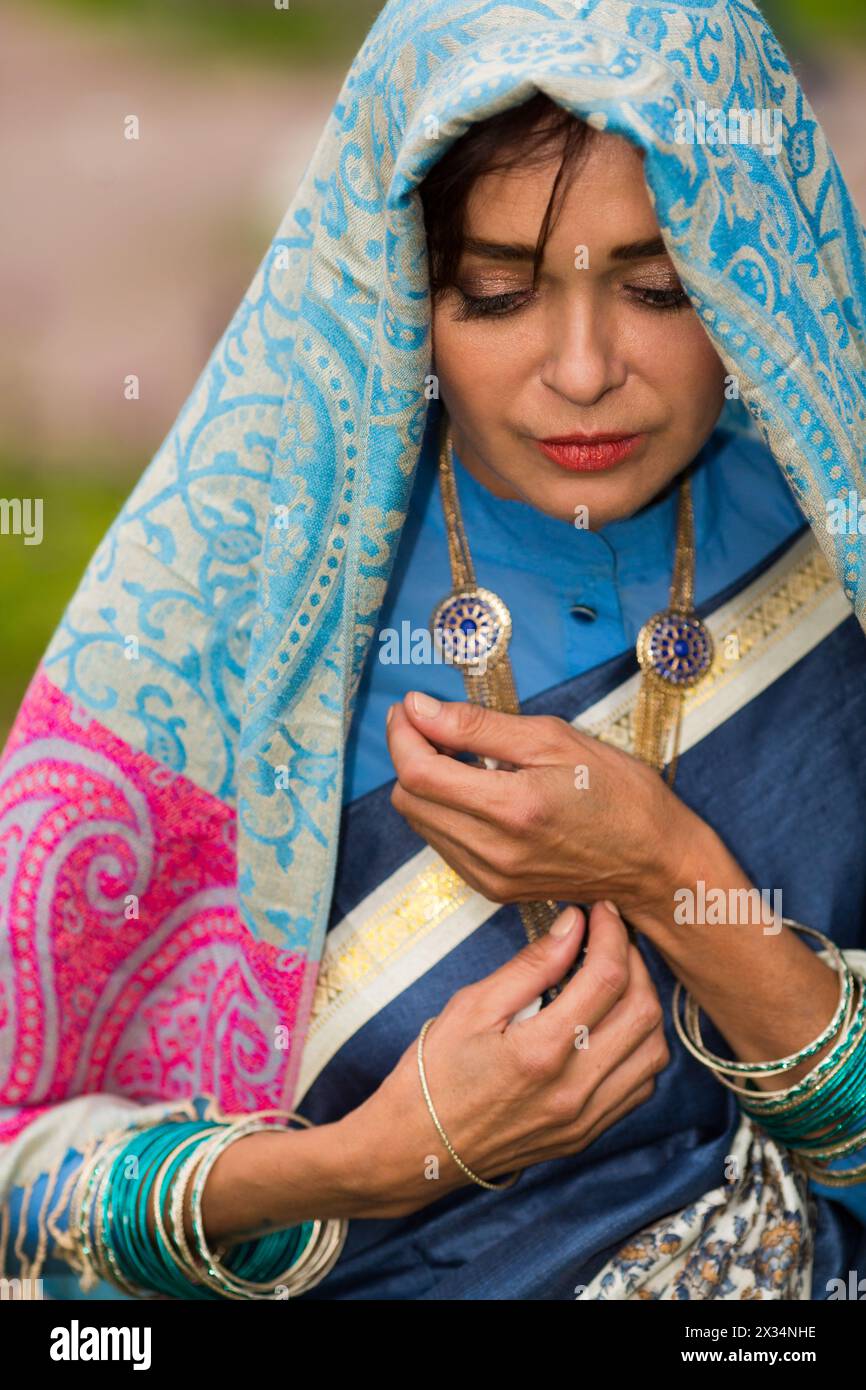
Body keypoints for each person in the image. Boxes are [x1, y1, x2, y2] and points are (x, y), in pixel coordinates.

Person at [1, 0, 865, 1301]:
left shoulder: (832, 548)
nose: (581, 369)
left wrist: (671, 870)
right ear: (402, 290)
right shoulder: (237, 616)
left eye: (655, 286)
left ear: (749, 267)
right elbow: (23, 1180)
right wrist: (369, 1160)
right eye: (498, 292)